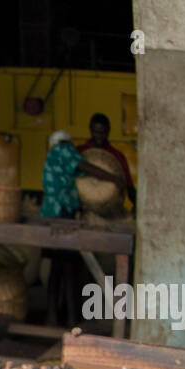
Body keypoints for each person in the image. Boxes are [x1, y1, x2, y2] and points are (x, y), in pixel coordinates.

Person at [40, 130, 127, 325]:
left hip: (51, 214)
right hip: (62, 215)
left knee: (56, 269)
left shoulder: (52, 155)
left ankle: (52, 319)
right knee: (69, 268)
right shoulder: (63, 151)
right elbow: (85, 167)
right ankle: (72, 321)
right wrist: (114, 179)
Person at [80, 113, 136, 206]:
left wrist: (137, 206)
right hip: (83, 207)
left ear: (108, 131)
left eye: (103, 132)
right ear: (90, 130)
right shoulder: (80, 151)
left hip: (109, 207)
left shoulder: (117, 156)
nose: (99, 136)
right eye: (96, 132)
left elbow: (129, 186)